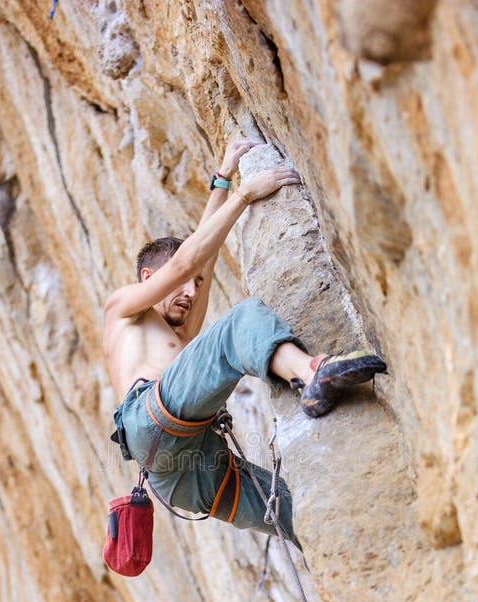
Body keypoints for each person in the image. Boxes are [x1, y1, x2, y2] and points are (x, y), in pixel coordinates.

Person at [103, 140, 386, 547]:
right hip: (151, 421)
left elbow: (201, 259)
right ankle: (311, 374)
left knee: (296, 509)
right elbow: (186, 262)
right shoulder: (123, 308)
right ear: (149, 278)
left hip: (182, 472)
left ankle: (355, 547)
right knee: (240, 321)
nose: (190, 291)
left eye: (195, 287)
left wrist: (222, 176)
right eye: (178, 284)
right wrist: (244, 194)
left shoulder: (177, 335)